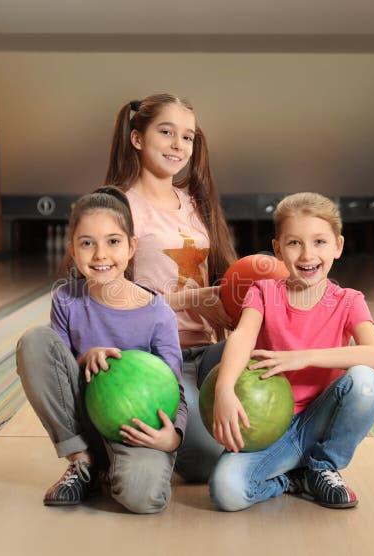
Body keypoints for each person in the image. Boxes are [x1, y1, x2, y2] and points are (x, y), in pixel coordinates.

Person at [208, 192, 374, 511]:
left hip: (319, 418)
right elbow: (242, 337)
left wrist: (305, 356)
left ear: (338, 246)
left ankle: (321, 465)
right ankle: (293, 478)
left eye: (319, 242)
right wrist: (223, 388)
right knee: (226, 492)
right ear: (277, 249)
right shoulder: (263, 292)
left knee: (366, 381)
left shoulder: (349, 300)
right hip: (270, 426)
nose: (307, 254)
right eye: (294, 243)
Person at [16, 187, 185, 514]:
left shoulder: (157, 312)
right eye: (87, 243)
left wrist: (173, 438)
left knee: (144, 499)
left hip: (135, 427)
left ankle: (109, 466)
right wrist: (85, 357)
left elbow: (172, 385)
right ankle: (83, 462)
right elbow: (57, 370)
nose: (100, 255)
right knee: (35, 340)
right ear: (72, 250)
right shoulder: (66, 300)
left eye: (113, 241)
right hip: (86, 418)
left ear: (132, 247)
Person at [105, 93, 238, 482]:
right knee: (210, 465)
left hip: (208, 351)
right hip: (158, 357)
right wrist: (191, 298)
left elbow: (220, 279)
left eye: (188, 137)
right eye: (167, 132)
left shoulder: (195, 201)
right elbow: (110, 300)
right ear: (137, 138)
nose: (179, 145)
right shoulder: (119, 207)